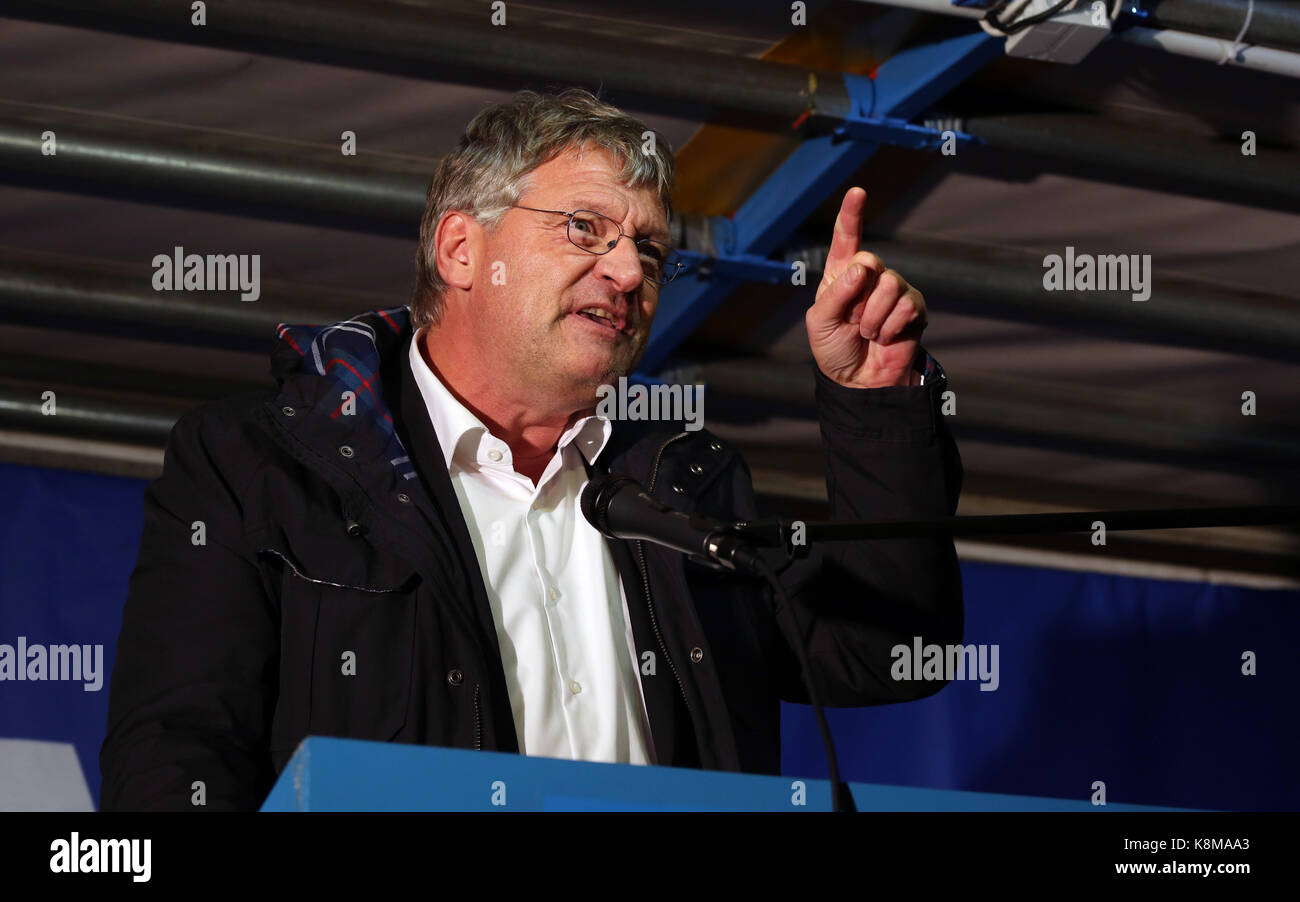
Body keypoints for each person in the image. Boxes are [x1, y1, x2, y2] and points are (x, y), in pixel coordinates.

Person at [100, 88, 963, 811]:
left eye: (649, 250)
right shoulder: (263, 465)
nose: (628, 274)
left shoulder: (684, 488)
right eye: (586, 229)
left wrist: (876, 400)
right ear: (461, 248)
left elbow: (888, 648)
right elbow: (175, 756)